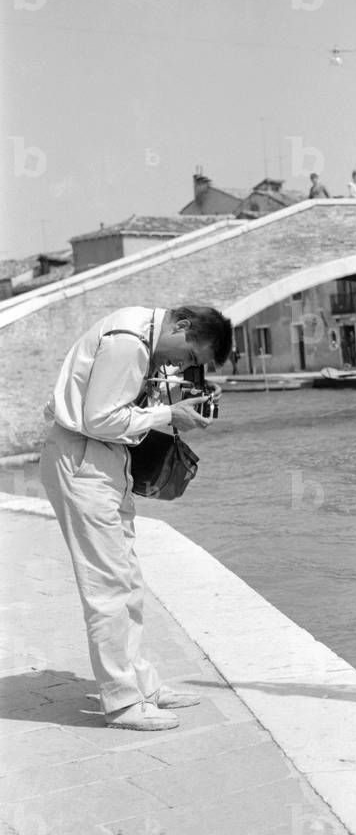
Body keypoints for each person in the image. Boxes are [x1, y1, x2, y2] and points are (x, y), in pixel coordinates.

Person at [40, 305, 233, 732]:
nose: (181, 365)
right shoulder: (128, 343)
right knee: (107, 587)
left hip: (102, 461)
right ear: (181, 326)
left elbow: (115, 404)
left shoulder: (138, 332)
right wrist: (169, 415)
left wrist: (171, 401)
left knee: (127, 580)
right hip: (83, 460)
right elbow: (100, 417)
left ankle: (142, 686)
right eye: (188, 356)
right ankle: (124, 703)